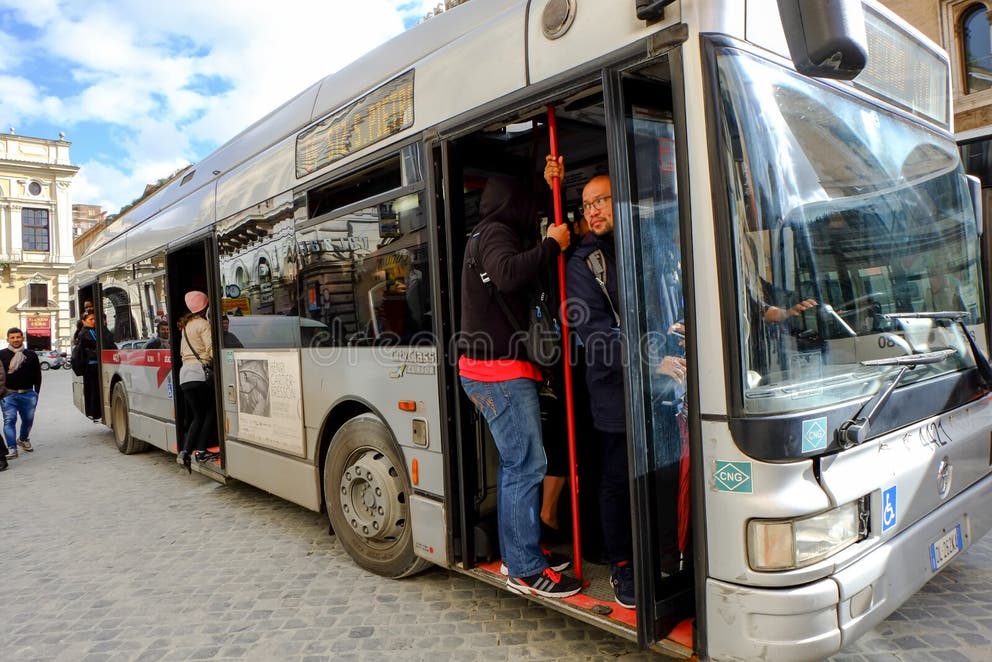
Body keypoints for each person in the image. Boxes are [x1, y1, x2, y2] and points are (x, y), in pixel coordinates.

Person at [549, 156, 687, 609]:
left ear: (621, 203)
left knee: (660, 475)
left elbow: (652, 310)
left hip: (659, 392)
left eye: (602, 201)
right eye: (587, 204)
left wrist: (673, 329)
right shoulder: (581, 265)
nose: (593, 210)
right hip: (615, 393)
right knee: (617, 481)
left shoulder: (645, 247)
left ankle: (665, 556)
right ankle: (623, 568)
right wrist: (654, 359)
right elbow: (597, 338)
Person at [457, 174, 581, 598]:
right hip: (499, 373)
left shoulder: (486, 231)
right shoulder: (495, 234)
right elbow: (508, 275)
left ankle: (518, 554)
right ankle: (526, 568)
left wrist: (548, 183)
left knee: (519, 463)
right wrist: (552, 246)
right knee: (525, 465)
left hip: (493, 371)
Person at [178, 291, 216, 471]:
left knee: (197, 415)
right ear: (206, 306)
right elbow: (211, 350)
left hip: (184, 375)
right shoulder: (203, 324)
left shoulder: (186, 326)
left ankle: (185, 451)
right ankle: (201, 450)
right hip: (199, 373)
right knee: (209, 411)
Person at [0, 328, 42, 459]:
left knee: (28, 420)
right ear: (8, 339)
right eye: (12, 337)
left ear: (22, 338)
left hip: (28, 393)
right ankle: (12, 449)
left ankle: (23, 439)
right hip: (8, 394)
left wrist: (36, 392)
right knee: (9, 420)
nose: (15, 340)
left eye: (18, 337)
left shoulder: (31, 355)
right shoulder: (1, 355)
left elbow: (37, 375)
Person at [77, 311, 102, 420]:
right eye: (90, 319)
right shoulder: (85, 333)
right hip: (91, 365)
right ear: (83, 321)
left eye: (94, 319)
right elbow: (94, 346)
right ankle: (94, 412)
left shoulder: (91, 331)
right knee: (94, 390)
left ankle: (95, 412)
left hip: (93, 364)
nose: (93, 321)